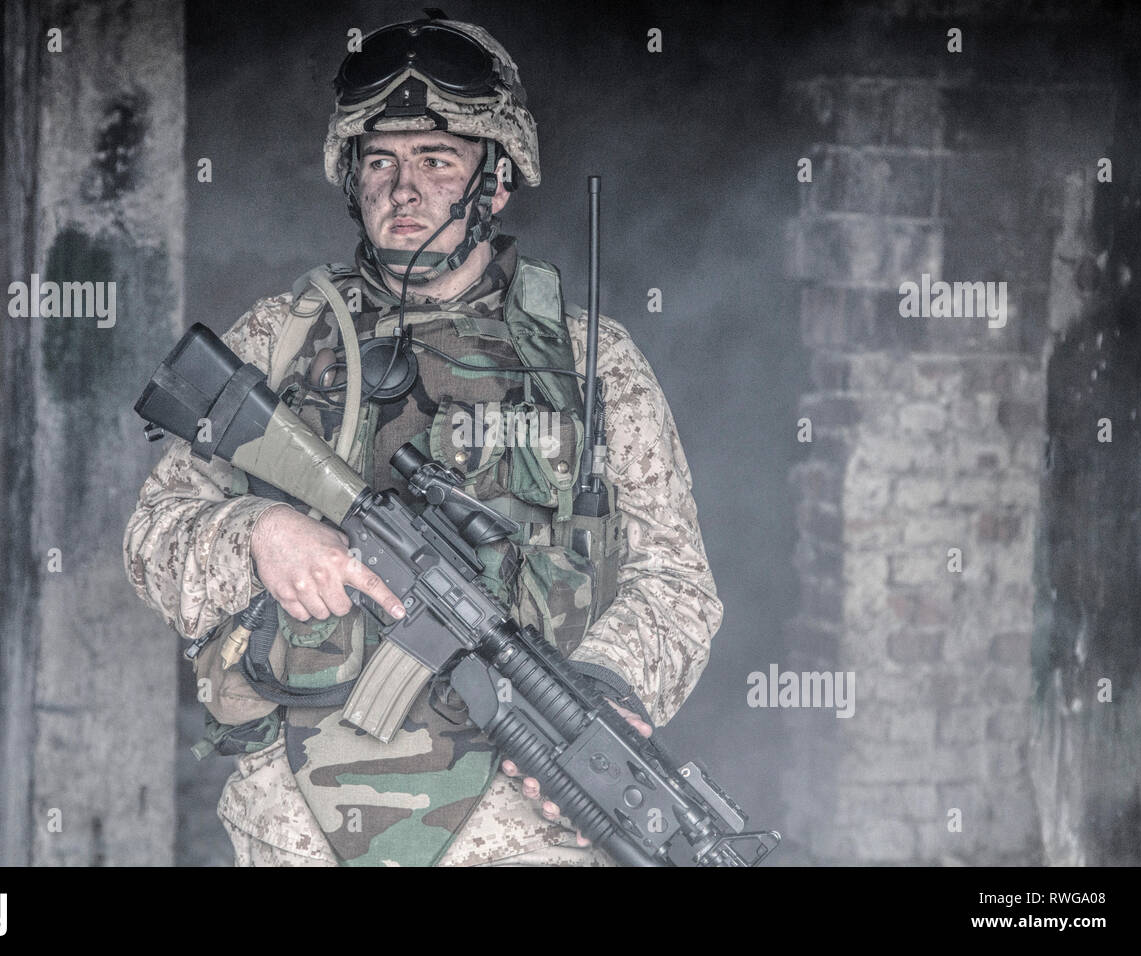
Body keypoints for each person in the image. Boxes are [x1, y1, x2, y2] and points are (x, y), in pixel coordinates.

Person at [123, 13, 723, 866]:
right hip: (297, 823)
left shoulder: (593, 363)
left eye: (436, 160)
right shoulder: (279, 342)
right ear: (352, 179)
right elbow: (152, 540)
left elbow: (676, 581)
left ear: (496, 182)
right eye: (381, 161)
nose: (403, 189)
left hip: (523, 832)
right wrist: (259, 534)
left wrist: (606, 690)